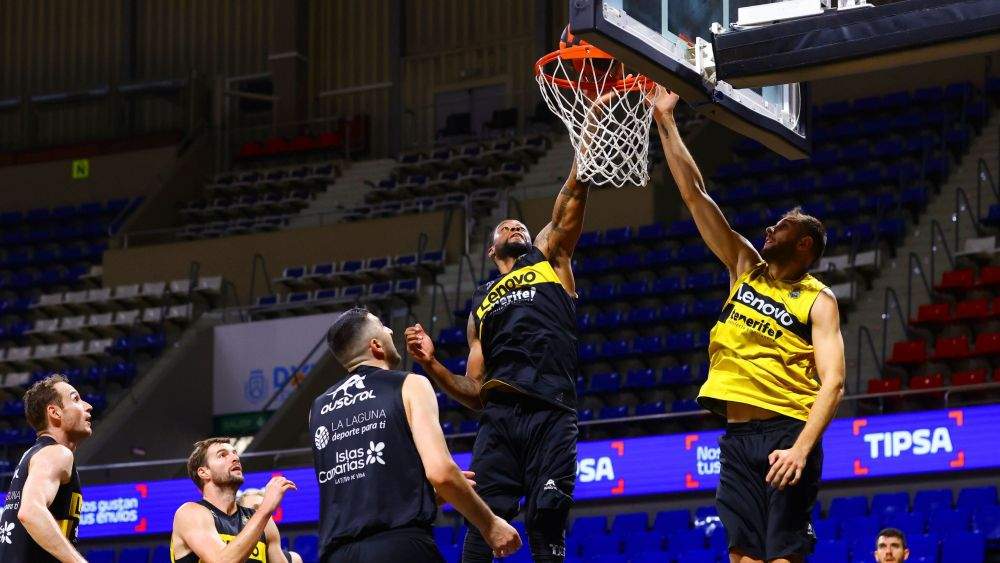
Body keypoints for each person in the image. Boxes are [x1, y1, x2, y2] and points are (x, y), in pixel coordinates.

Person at [649, 87, 845, 563]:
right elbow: (696, 196)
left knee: (782, 558)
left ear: (804, 245)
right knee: (742, 558)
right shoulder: (743, 266)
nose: (768, 231)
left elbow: (834, 382)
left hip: (786, 432)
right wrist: (665, 122)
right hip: (738, 439)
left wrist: (800, 449)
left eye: (780, 227)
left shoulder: (819, 300)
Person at [405, 154, 589, 562]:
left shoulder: (548, 260)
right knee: (481, 524)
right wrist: (432, 365)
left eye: (520, 225)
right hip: (500, 419)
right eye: (506, 227)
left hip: (550, 411)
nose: (516, 227)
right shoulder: (480, 304)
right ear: (492, 249)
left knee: (548, 516)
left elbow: (571, 198)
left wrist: (585, 148)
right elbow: (475, 392)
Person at [311, 308, 520, 563]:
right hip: (399, 548)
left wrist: (423, 496)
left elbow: (354, 492)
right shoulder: (410, 384)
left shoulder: (318, 408)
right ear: (376, 345)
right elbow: (441, 473)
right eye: (383, 326)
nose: (390, 330)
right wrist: (489, 524)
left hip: (335, 554)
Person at [0, 375, 92, 563]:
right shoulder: (56, 453)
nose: (87, 405)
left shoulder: (33, 454)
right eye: (76, 399)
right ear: (55, 412)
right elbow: (30, 512)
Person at [170, 438, 296, 562]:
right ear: (204, 472)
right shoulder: (190, 513)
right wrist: (266, 508)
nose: (235, 458)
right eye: (222, 455)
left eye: (234, 453)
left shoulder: (264, 522)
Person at [237, 489, 303, 563]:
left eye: (267, 510)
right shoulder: (227, 552)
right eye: (255, 509)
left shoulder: (293, 559)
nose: (263, 515)